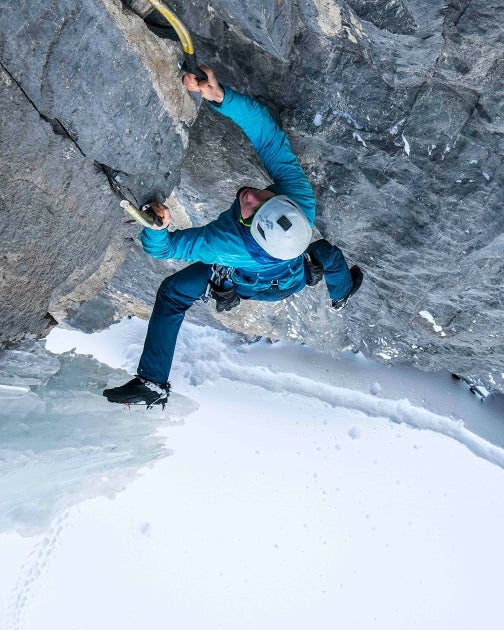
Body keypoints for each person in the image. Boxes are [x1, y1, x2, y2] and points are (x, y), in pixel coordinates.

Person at [104, 66, 363, 408]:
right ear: (286, 205)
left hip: (245, 280)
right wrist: (220, 97)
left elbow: (163, 248)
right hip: (294, 275)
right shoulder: (299, 200)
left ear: (252, 233)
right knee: (327, 255)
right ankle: (341, 293)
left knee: (172, 294)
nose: (251, 198)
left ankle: (153, 382)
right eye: (264, 202)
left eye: (252, 215)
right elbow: (267, 136)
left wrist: (157, 227)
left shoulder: (226, 244)